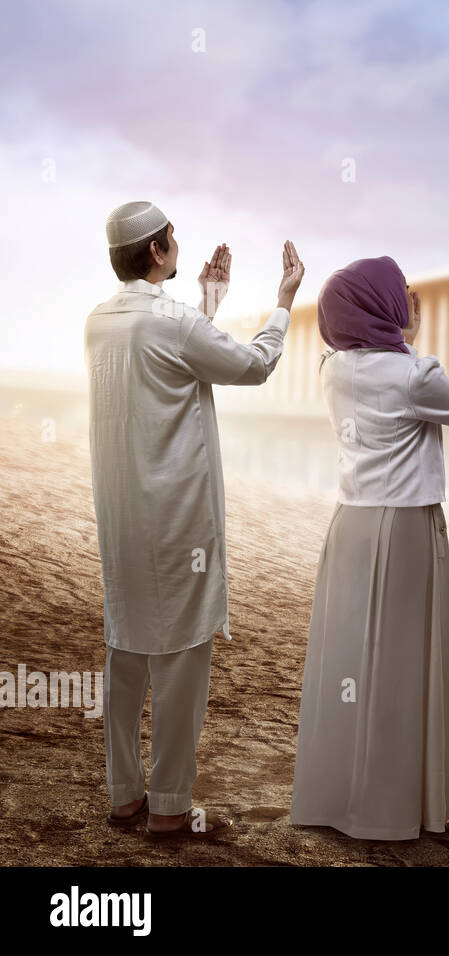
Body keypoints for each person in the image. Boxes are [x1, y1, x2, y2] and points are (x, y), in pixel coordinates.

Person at [86, 201, 305, 837]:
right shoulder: (175, 323)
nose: (180, 247)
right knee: (181, 655)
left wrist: (207, 301)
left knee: (125, 648)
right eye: (172, 240)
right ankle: (170, 805)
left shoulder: (98, 323)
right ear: (156, 252)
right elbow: (253, 366)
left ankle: (124, 794)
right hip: (177, 516)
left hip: (121, 512)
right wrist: (284, 301)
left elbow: (165, 366)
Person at [290, 256, 449, 840]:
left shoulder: (332, 369)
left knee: (349, 666)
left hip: (350, 527)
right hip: (406, 527)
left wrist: (403, 338)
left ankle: (335, 801)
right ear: (385, 309)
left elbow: (372, 360)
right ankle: (389, 810)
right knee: (398, 668)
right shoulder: (414, 374)